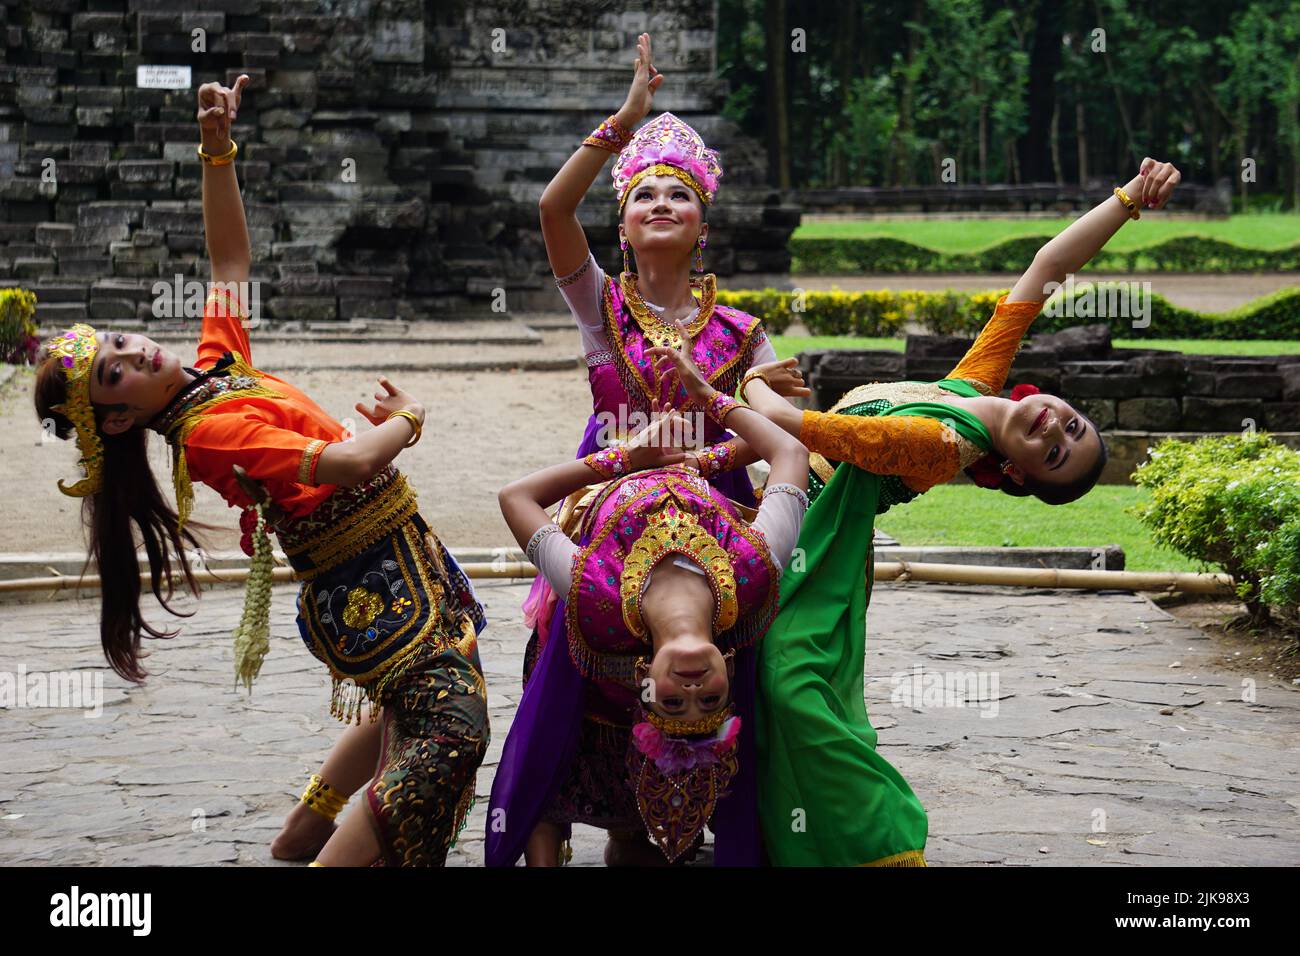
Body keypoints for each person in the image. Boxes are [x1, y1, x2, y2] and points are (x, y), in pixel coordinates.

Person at [32, 75, 489, 867]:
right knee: (449, 729)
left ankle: (305, 829)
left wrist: (216, 151)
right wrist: (411, 422)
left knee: (438, 685)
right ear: (117, 419)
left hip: (398, 549)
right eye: (115, 372)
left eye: (118, 343)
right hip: (364, 583)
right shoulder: (210, 429)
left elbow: (231, 258)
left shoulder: (216, 369)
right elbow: (347, 463)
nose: (134, 350)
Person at [713, 157, 1182, 865]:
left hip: (805, 539)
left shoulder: (941, 445)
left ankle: (878, 839)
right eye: (1073, 427)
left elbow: (801, 427)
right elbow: (1049, 264)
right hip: (768, 501)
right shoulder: (971, 384)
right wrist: (1128, 199)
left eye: (1054, 454)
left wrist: (747, 378)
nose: (1055, 430)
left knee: (788, 688)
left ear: (1019, 479)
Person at [507, 32, 784, 864]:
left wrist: (748, 424)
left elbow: (775, 440)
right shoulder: (602, 309)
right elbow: (554, 211)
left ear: (703, 224)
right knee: (570, 662)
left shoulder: (743, 331)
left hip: (715, 514)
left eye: (680, 195)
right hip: (606, 496)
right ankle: (562, 813)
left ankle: (700, 797)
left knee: (739, 654)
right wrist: (623, 126)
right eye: (644, 195)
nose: (661, 202)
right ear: (622, 225)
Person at [489, 380, 808, 865]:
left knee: (553, 684)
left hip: (619, 461)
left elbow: (516, 497)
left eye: (673, 702)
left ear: (645, 678)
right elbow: (789, 450)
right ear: (728, 669)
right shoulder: (753, 574)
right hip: (697, 444)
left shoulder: (596, 593)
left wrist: (627, 457)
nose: (692, 687)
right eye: (709, 700)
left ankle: (611, 836)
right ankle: (632, 838)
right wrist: (708, 402)